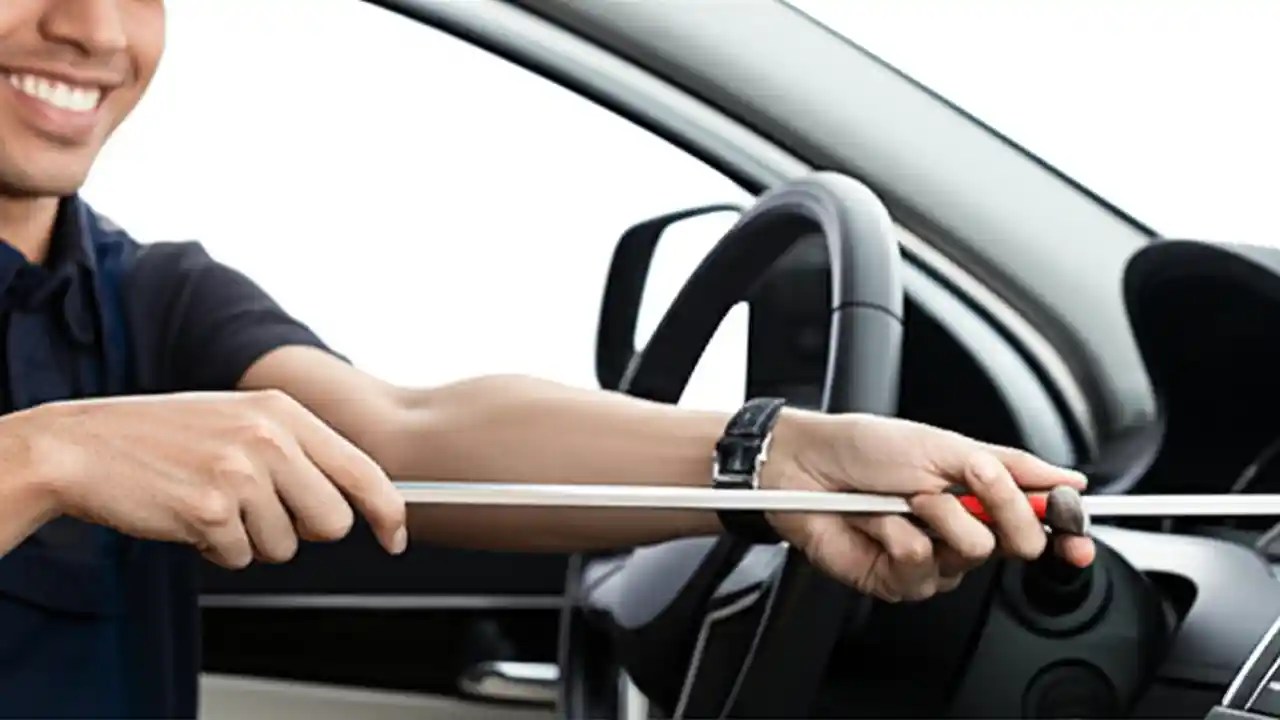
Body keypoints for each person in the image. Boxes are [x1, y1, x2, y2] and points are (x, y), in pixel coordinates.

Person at [0, 1, 1096, 717]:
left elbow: (404, 433)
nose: (94, 29)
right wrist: (45, 461)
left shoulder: (145, 292)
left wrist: (775, 458)